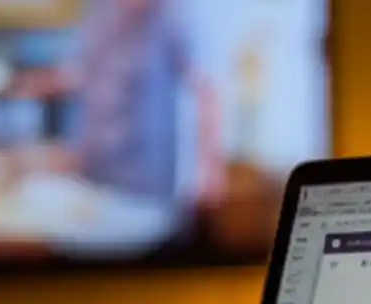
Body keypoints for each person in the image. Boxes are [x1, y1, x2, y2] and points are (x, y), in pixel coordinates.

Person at [18, 0, 222, 209]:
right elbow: (85, 73)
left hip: (147, 184)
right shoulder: (100, 11)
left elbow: (206, 90)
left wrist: (209, 169)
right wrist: (45, 83)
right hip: (92, 173)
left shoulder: (174, 14)